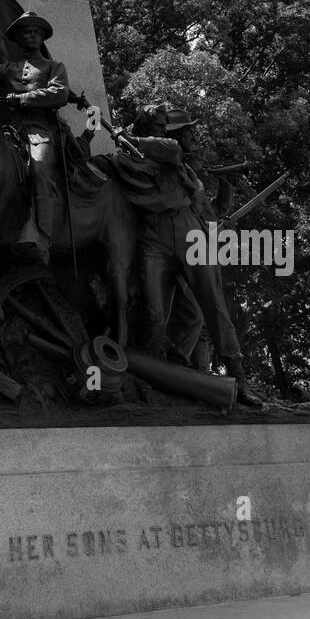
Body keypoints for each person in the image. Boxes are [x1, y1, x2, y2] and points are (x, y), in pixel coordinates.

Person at [114, 104, 262, 406]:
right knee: (155, 314)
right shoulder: (140, 156)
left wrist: (225, 190)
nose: (195, 135)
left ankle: (240, 380)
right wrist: (127, 138)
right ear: (173, 134)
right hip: (153, 238)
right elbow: (153, 149)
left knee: (213, 307)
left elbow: (210, 211)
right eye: (189, 130)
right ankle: (152, 373)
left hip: (189, 235)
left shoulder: (177, 160)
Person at [0, 11, 69, 267]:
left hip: (40, 130)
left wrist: (21, 98)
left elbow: (58, 94)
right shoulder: (9, 68)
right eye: (27, 31)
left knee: (39, 171)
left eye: (37, 32)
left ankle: (43, 241)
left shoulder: (53, 67)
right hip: (10, 131)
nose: (33, 35)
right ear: (19, 39)